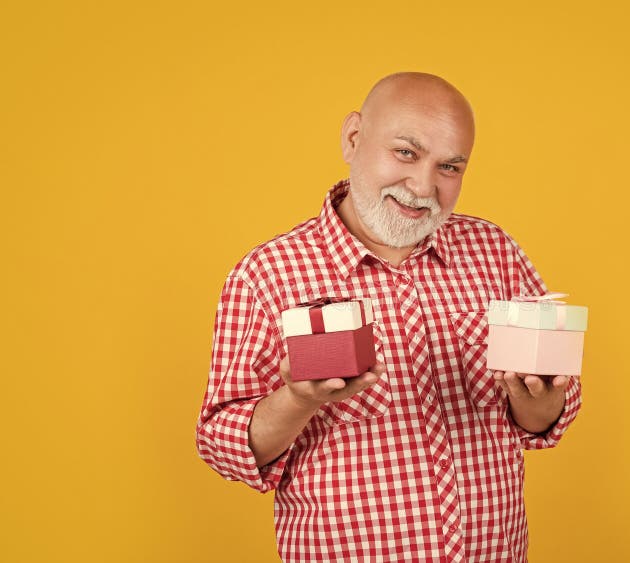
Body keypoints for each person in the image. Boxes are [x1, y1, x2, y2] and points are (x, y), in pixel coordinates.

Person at [196, 72, 582, 562]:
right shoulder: (265, 275)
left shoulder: (495, 252)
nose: (423, 186)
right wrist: (297, 400)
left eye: (450, 167)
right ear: (353, 138)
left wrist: (541, 398)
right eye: (406, 152)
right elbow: (221, 444)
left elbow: (541, 422)